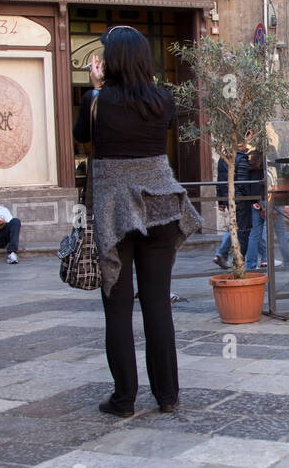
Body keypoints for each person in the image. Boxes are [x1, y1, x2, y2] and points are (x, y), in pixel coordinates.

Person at [73, 26, 201, 417]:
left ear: (109, 61)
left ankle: (124, 399)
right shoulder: (163, 99)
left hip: (115, 213)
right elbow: (154, 134)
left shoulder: (97, 101)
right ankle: (167, 396)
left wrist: (95, 89)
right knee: (157, 304)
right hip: (161, 207)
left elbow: (83, 138)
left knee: (117, 305)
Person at [213, 146, 252, 268]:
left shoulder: (223, 158)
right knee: (243, 230)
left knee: (235, 226)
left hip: (229, 197)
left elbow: (220, 181)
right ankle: (238, 262)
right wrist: (252, 199)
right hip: (240, 199)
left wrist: (221, 200)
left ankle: (224, 254)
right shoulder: (241, 158)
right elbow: (242, 182)